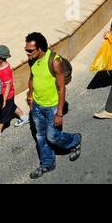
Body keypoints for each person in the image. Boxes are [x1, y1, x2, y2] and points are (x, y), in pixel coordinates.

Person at [24, 31, 81, 178]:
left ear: (40, 48)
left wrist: (59, 113)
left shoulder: (55, 62)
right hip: (37, 106)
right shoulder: (32, 60)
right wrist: (30, 96)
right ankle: (47, 163)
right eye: (26, 50)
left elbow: (62, 88)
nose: (27, 53)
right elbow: (32, 78)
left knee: (53, 137)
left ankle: (75, 140)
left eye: (30, 50)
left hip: (52, 107)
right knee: (41, 136)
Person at [0, 45, 27, 142]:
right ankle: (24, 117)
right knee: (11, 106)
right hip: (6, 94)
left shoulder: (6, 70)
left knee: (2, 114)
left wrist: (4, 100)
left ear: (0, 58)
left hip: (6, 95)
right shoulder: (1, 65)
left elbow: (8, 86)